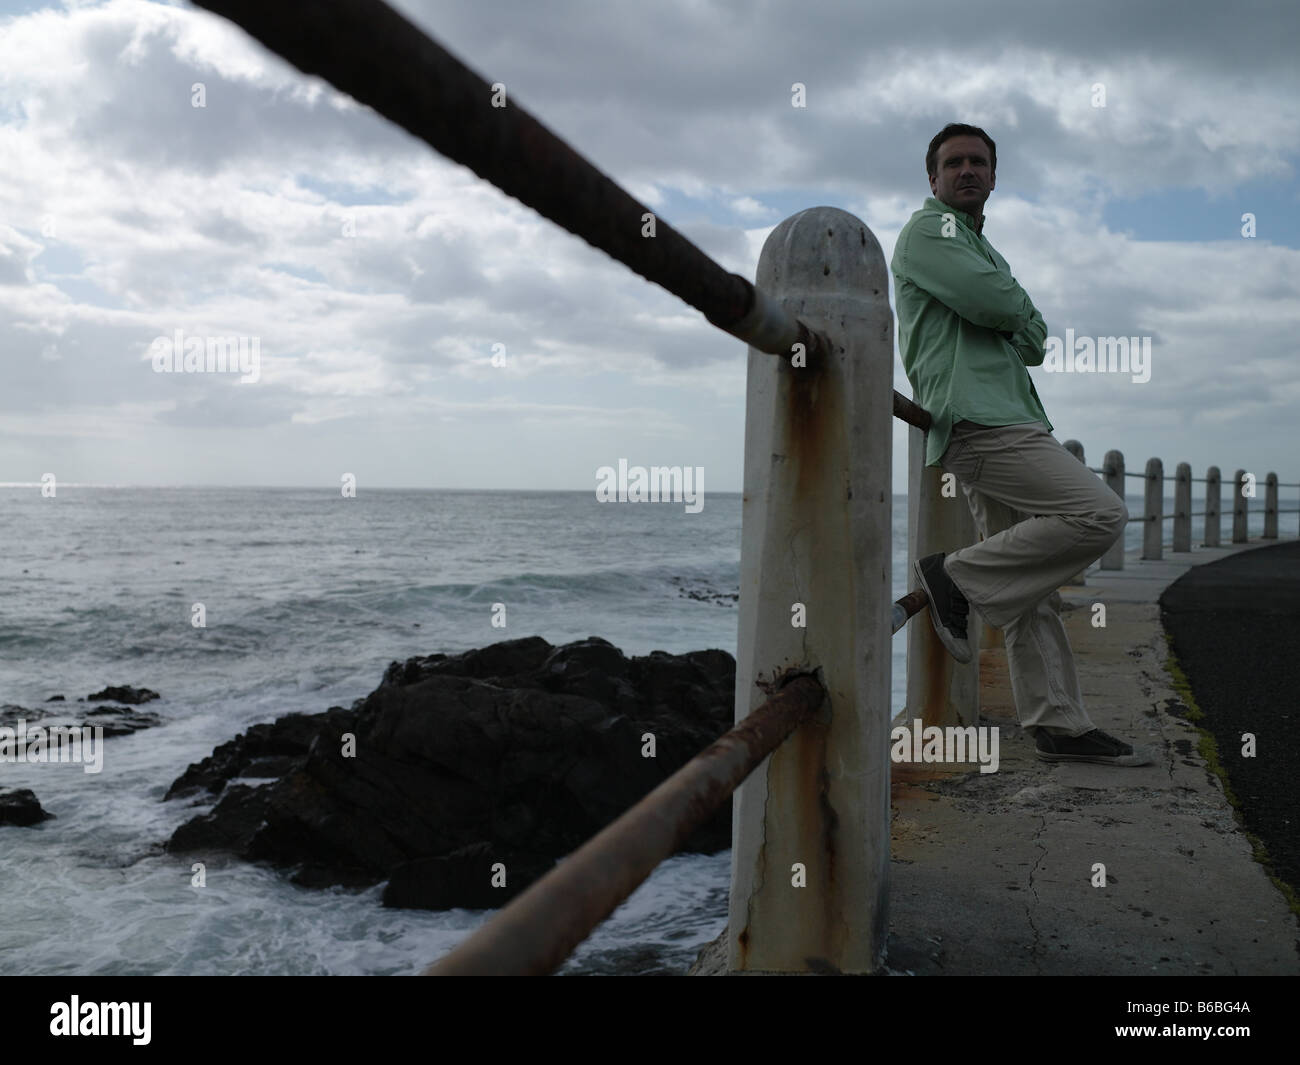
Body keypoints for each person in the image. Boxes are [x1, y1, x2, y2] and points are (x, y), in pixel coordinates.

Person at [890, 122, 1151, 767]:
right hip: (980, 422)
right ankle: (952, 574)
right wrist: (1009, 306)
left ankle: (1058, 723)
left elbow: (1032, 338)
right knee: (1100, 513)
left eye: (979, 162)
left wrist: (1010, 306)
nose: (967, 171)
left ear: (995, 177)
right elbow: (994, 304)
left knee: (1030, 586)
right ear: (933, 178)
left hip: (1005, 418)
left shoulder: (983, 247)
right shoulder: (931, 232)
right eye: (954, 163)